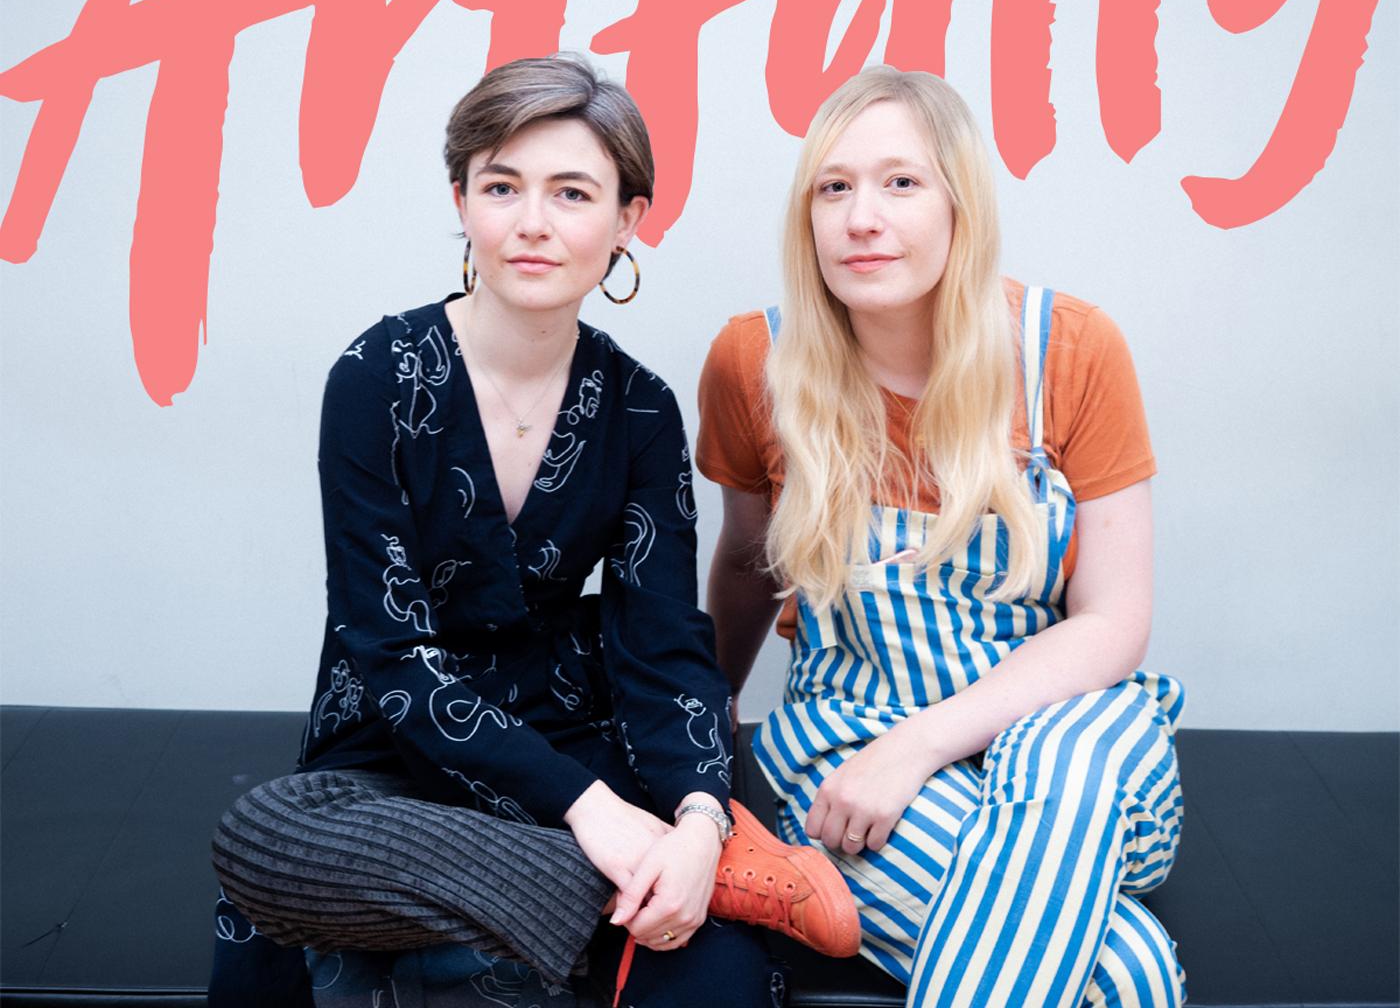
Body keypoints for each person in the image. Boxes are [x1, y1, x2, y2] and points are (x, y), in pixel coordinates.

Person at [210, 55, 855, 1008]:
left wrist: (696, 816)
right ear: (462, 201)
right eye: (502, 187)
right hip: (391, 751)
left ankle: (662, 868)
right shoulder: (375, 376)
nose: (533, 223)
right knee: (266, 837)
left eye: (573, 193)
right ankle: (607, 886)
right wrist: (595, 820)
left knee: (717, 976)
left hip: (569, 728)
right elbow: (388, 651)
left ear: (627, 219)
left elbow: (661, 644)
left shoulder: (640, 409)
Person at [698, 66, 1187, 1007]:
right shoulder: (755, 362)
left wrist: (919, 746)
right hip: (852, 738)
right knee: (1124, 972)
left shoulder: (1073, 350)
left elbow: (1115, 619)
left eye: (901, 183)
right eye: (833, 188)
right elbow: (746, 563)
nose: (861, 218)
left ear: (961, 203)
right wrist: (698, 746)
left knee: (1066, 760)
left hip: (1070, 728)